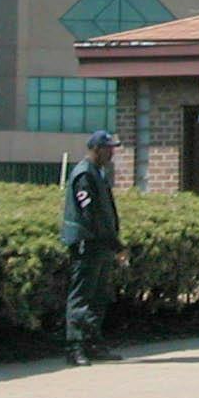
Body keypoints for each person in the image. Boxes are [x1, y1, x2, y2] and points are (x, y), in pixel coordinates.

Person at [62, 129, 126, 364]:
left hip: (102, 245)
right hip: (87, 244)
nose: (112, 153)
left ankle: (93, 342)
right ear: (96, 149)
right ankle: (75, 347)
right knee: (82, 296)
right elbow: (90, 215)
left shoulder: (98, 173)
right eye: (109, 148)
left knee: (99, 295)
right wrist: (114, 243)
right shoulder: (84, 175)